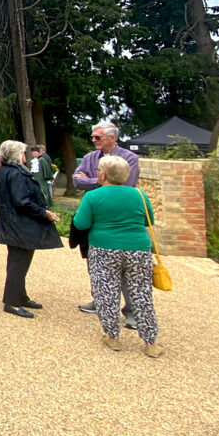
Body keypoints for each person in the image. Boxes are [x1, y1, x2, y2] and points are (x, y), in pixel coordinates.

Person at [71, 155, 164, 357]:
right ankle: (150, 342)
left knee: (107, 292)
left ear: (103, 175)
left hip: (104, 248)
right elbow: (149, 220)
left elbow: (81, 223)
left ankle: (112, 336)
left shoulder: (93, 196)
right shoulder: (139, 194)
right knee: (141, 294)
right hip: (138, 249)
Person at [73, 121, 142, 322]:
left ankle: (131, 311)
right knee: (95, 263)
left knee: (126, 268)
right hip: (95, 217)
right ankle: (100, 300)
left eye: (98, 137)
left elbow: (125, 185)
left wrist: (92, 181)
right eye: (92, 137)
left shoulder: (130, 158)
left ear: (113, 138)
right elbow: (76, 181)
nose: (93, 140)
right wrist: (101, 181)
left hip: (119, 217)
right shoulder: (90, 157)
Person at [0, 140, 62, 318]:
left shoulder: (5, 171)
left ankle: (20, 296)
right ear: (16, 154)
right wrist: (44, 212)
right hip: (20, 224)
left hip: (12, 222)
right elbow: (21, 201)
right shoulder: (16, 173)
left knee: (18, 261)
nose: (26, 156)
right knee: (18, 263)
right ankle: (12, 302)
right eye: (23, 153)